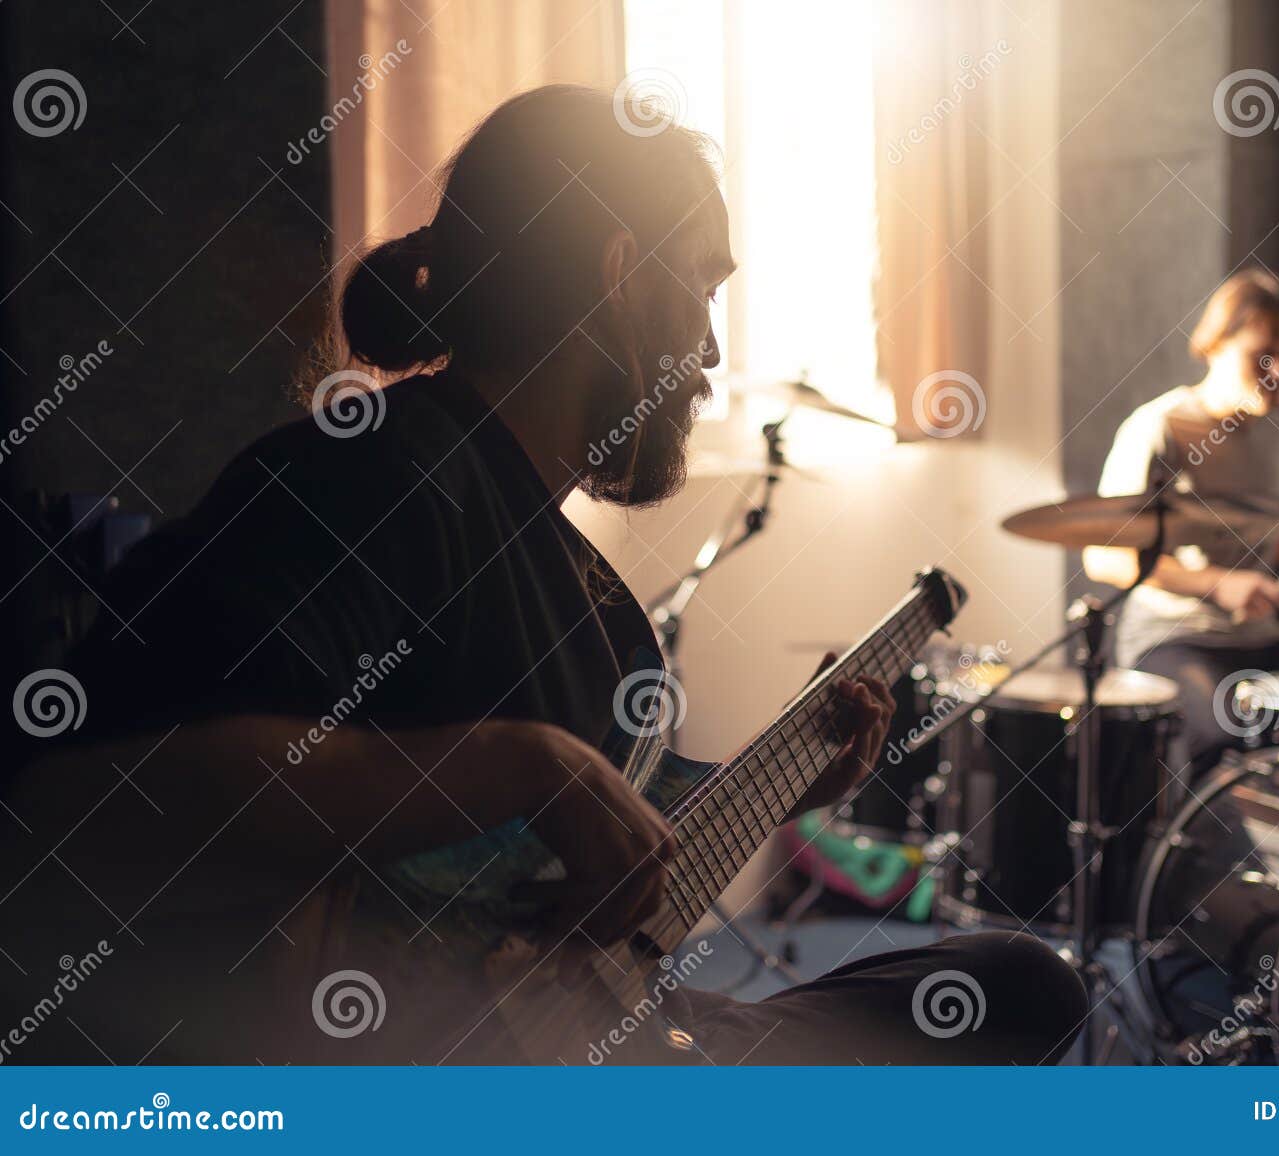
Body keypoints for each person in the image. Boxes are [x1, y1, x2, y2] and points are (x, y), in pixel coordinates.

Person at [0, 85, 1084, 1066]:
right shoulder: (375, 470)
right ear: (621, 277)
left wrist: (782, 783)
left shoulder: (562, 564)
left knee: (1016, 984)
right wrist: (514, 764)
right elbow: (70, 807)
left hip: (585, 1032)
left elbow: (587, 852)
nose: (708, 350)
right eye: (701, 289)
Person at [1083, 269, 1279, 776]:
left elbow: (1257, 549)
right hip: (1175, 637)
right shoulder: (1160, 427)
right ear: (1214, 345)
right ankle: (1210, 854)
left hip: (1258, 639)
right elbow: (1106, 555)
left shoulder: (1275, 428)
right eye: (1262, 357)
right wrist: (1219, 586)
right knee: (1227, 732)